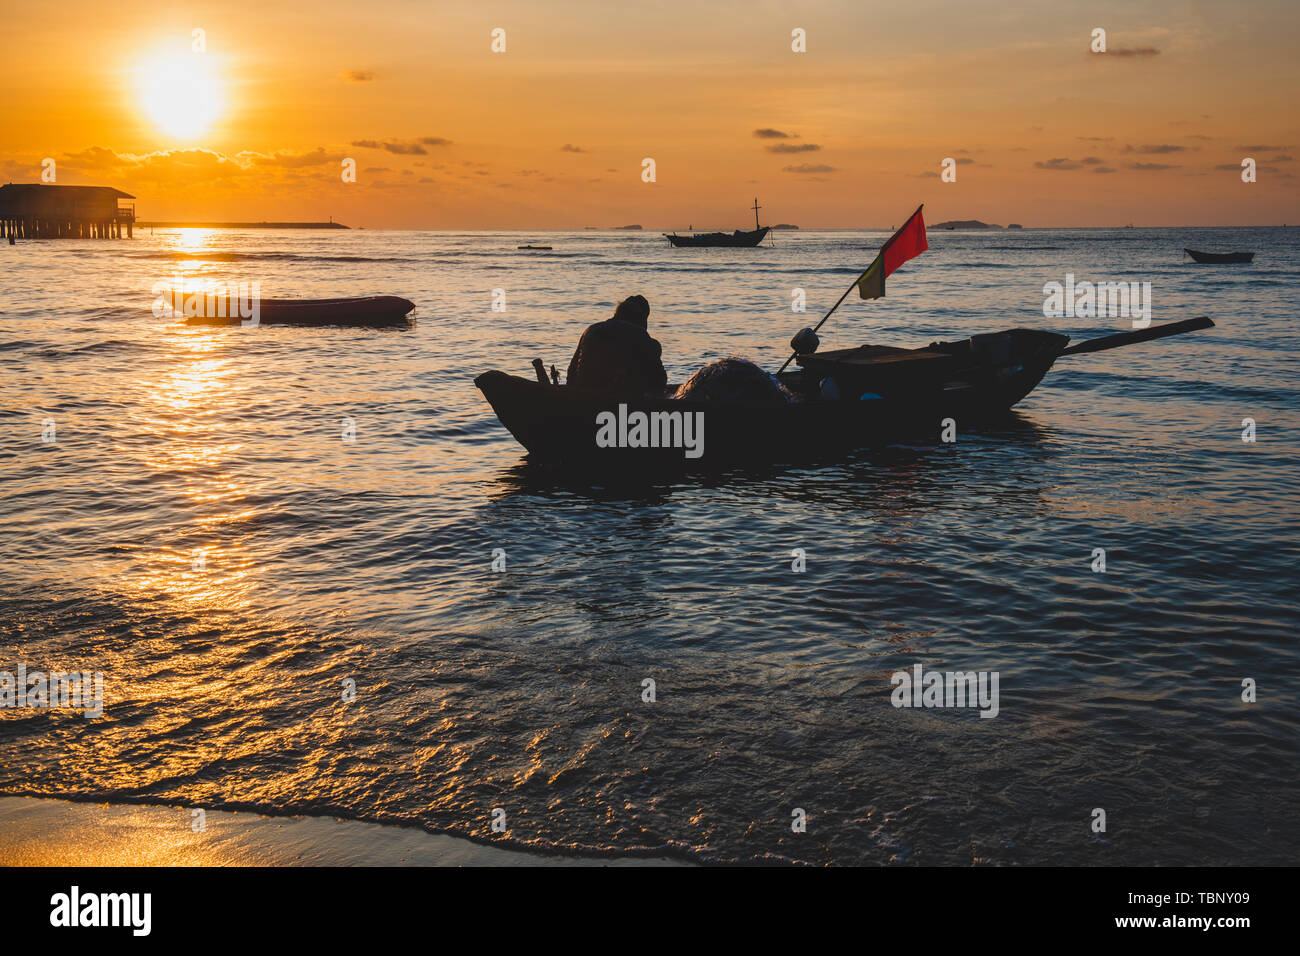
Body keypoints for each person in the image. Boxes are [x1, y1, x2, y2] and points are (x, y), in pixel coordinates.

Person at [565, 295, 668, 397]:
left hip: (583, 394)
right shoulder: (638, 333)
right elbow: (659, 379)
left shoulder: (591, 329)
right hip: (616, 399)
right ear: (641, 318)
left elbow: (572, 372)